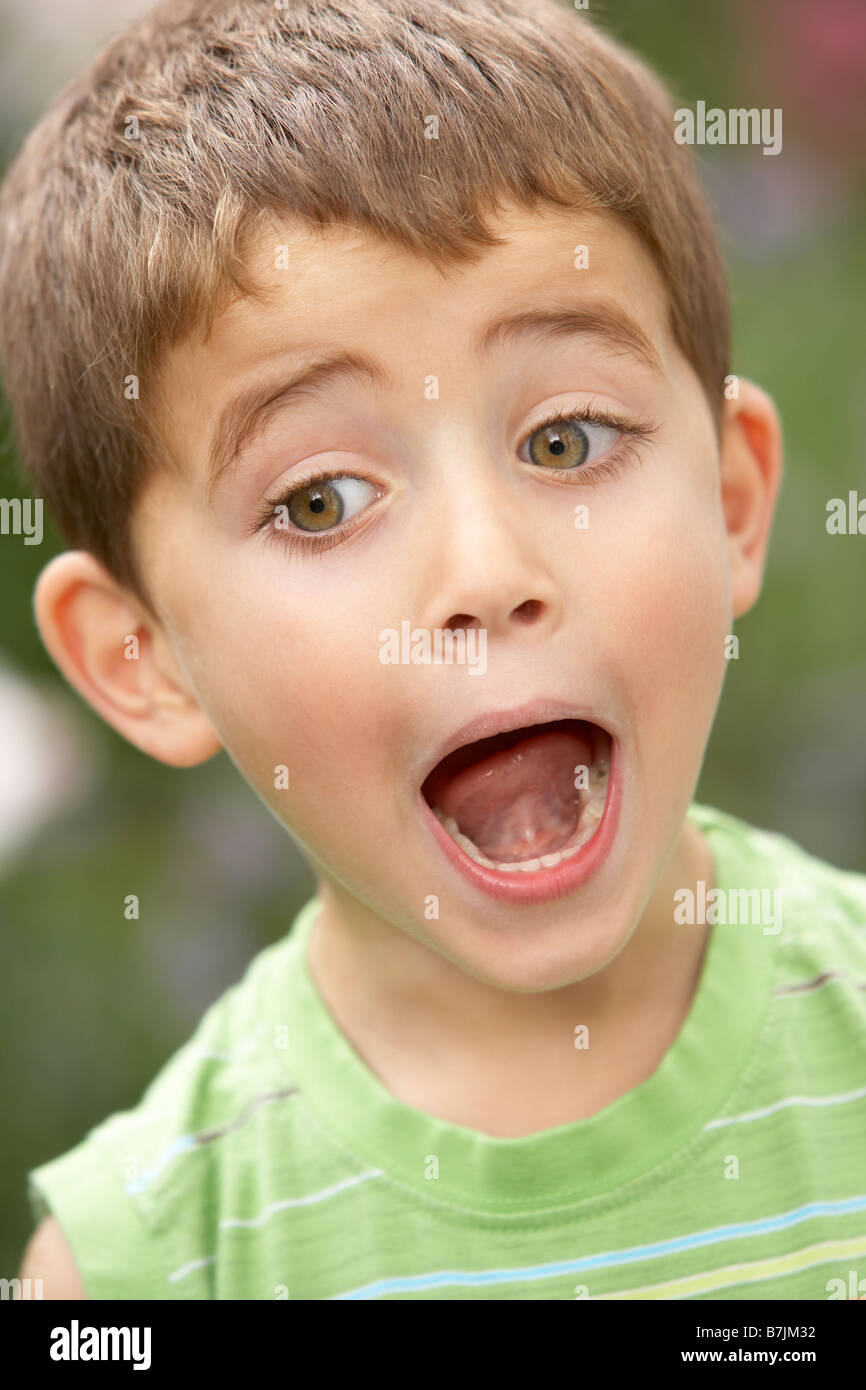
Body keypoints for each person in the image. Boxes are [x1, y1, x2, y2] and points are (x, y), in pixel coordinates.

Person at [3, 0, 864, 1301]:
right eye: (319, 502)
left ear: (730, 505)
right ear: (145, 659)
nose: (485, 573)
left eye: (565, 440)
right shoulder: (149, 1264)